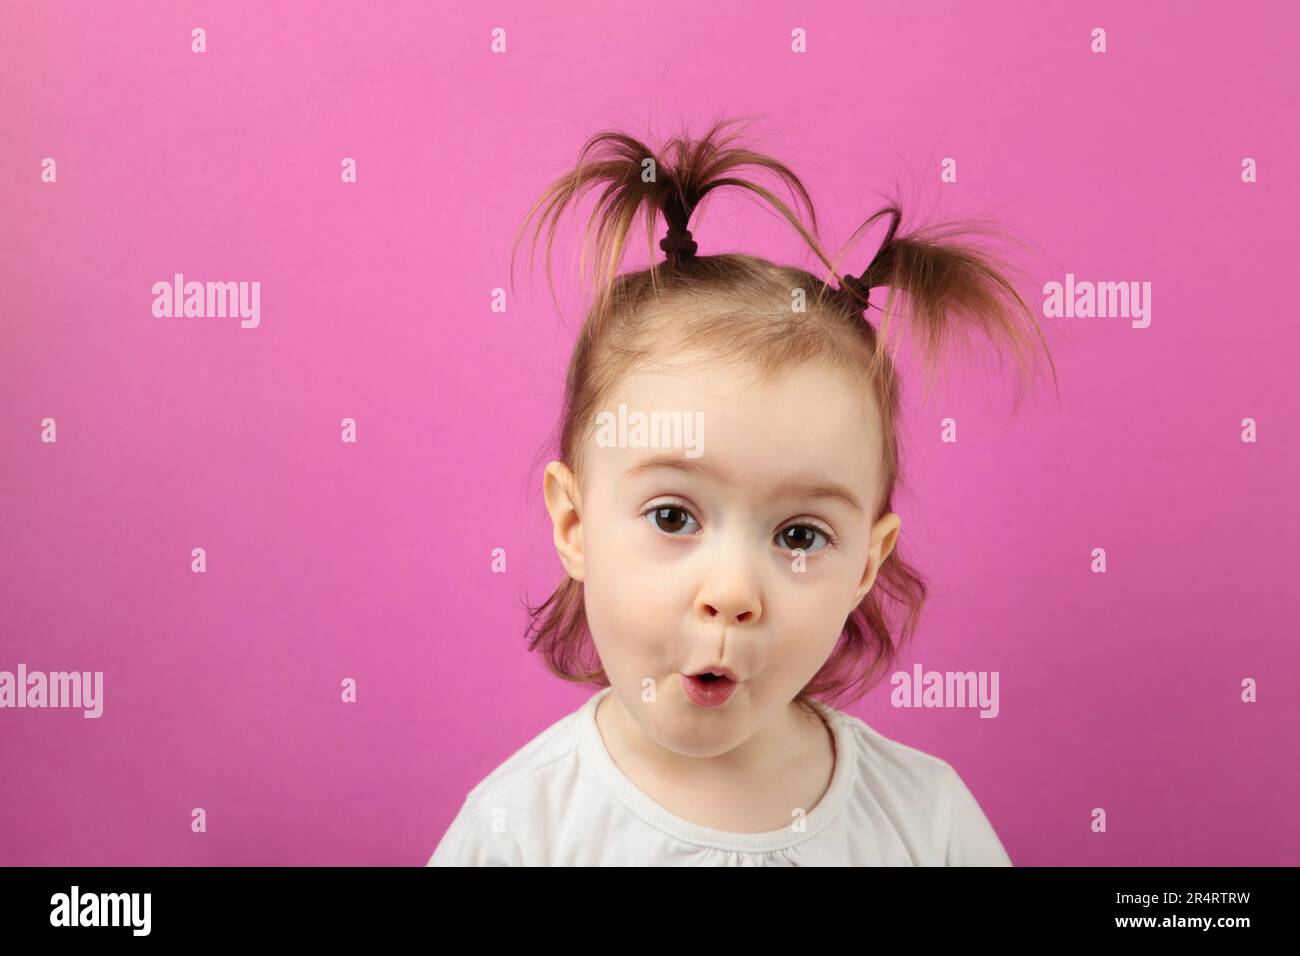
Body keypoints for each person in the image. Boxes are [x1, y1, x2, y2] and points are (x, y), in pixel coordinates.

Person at [429, 117, 1056, 866]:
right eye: (672, 515)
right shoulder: (522, 829)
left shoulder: (924, 820)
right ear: (574, 524)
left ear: (865, 561)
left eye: (799, 536)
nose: (732, 593)